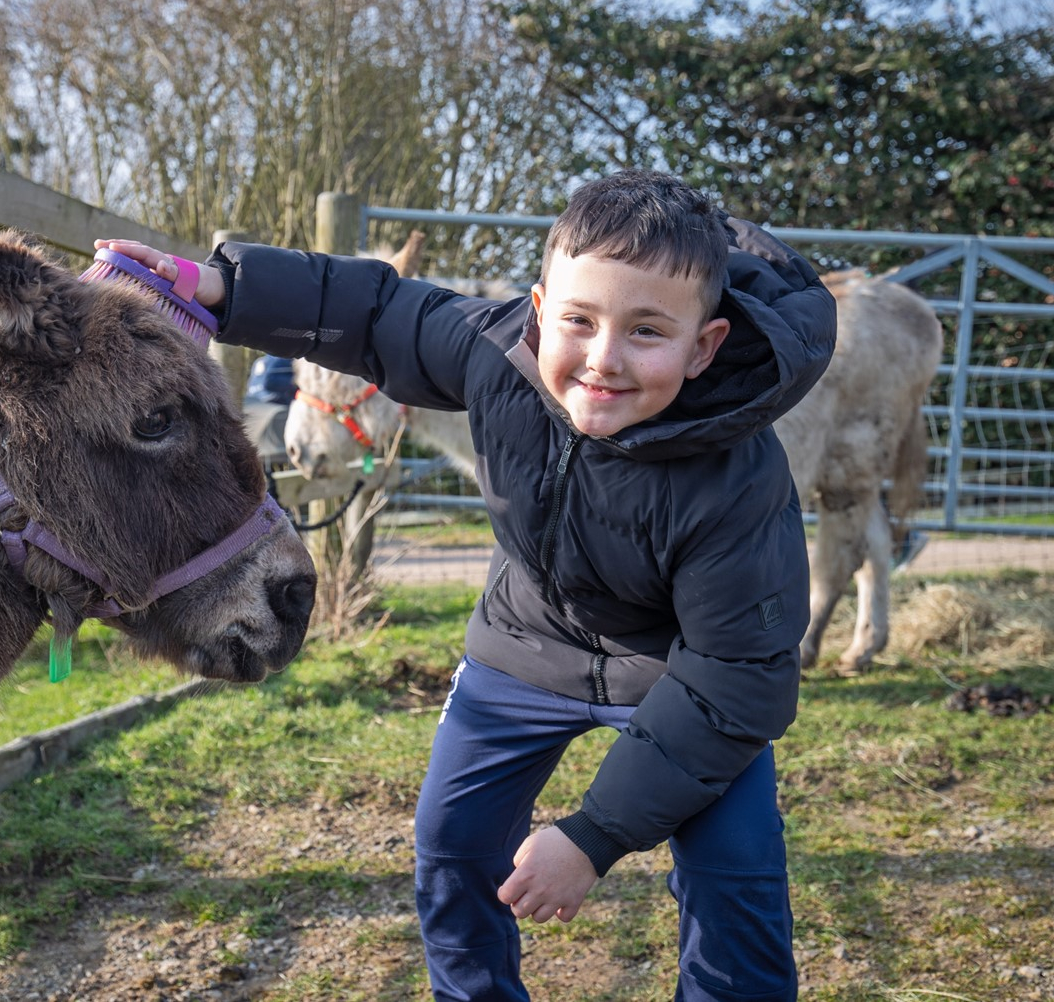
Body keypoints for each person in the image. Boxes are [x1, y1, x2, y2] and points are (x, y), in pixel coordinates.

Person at [96, 169, 836, 1002]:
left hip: (684, 671)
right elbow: (379, 314)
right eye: (579, 321)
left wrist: (590, 838)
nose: (603, 360)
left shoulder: (736, 480)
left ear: (704, 345)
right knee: (451, 844)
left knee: (737, 881)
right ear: (537, 308)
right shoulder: (497, 350)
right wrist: (225, 287)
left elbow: (738, 681)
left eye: (648, 332)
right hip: (527, 642)